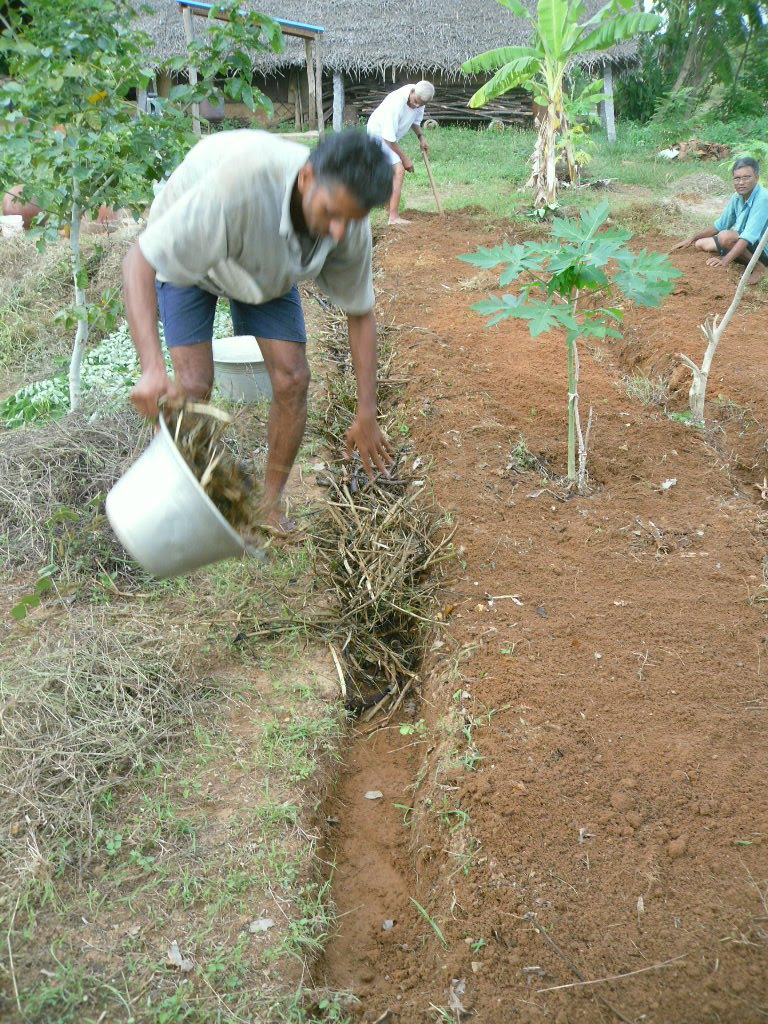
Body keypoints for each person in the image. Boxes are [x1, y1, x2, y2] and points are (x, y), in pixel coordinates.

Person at [122, 129, 396, 536]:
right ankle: (177, 504)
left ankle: (268, 505)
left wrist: (367, 411)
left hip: (265, 266)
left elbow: (360, 313)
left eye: (350, 219)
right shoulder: (239, 185)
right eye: (332, 213)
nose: (338, 231)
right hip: (196, 257)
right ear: (306, 179)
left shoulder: (348, 223)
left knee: (293, 378)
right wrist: (150, 367)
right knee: (193, 386)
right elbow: (138, 260)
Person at [673, 157, 768, 286]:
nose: (741, 182)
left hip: (762, 249)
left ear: (756, 178)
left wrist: (725, 260)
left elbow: (747, 237)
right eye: (737, 178)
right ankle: (742, 257)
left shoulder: (763, 198)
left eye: (746, 178)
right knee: (701, 244)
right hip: (746, 243)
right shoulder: (737, 197)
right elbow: (720, 224)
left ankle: (758, 267)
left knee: (725, 237)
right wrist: (692, 239)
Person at [366, 80, 435, 225]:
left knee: (392, 170)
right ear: (412, 92)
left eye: (421, 104)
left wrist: (421, 137)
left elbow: (415, 122)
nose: (417, 105)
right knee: (398, 170)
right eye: (415, 101)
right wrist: (404, 159)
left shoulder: (420, 100)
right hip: (378, 134)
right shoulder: (396, 103)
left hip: (389, 136)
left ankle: (388, 210)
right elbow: (388, 138)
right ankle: (393, 217)